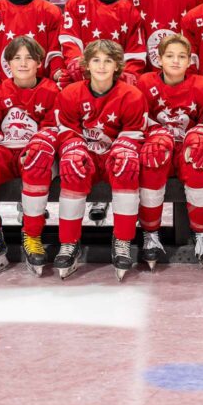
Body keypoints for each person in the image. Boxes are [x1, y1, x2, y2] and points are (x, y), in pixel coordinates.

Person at [0, 36, 60, 277]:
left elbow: (54, 128)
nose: (23, 63)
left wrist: (39, 145)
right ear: (8, 63)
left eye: (29, 58)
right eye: (17, 58)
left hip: (36, 152)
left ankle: (33, 236)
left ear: (39, 63)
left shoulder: (51, 90)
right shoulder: (0, 90)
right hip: (6, 149)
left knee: (38, 160)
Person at [52, 39, 148, 281]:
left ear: (117, 66)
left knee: (127, 164)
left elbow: (135, 132)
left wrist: (123, 149)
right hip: (87, 156)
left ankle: (123, 240)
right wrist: (74, 149)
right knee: (72, 166)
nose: (102, 66)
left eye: (108, 61)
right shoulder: (71, 93)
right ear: (87, 64)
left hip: (114, 156)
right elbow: (66, 130)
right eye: (96, 60)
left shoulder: (132, 95)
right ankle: (69, 243)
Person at [135, 34, 203, 270]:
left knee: (198, 162)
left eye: (182, 56)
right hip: (158, 146)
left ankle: (202, 233)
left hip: (186, 147)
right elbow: (138, 119)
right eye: (169, 56)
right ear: (159, 59)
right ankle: (150, 234)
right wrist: (156, 137)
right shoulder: (144, 83)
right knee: (152, 162)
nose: (176, 61)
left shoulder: (202, 85)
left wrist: (198, 136)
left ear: (190, 60)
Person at [59, 0, 145, 88]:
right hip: (83, 80)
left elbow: (135, 51)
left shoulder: (129, 10)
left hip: (117, 83)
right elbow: (69, 41)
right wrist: (80, 67)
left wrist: (125, 76)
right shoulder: (76, 3)